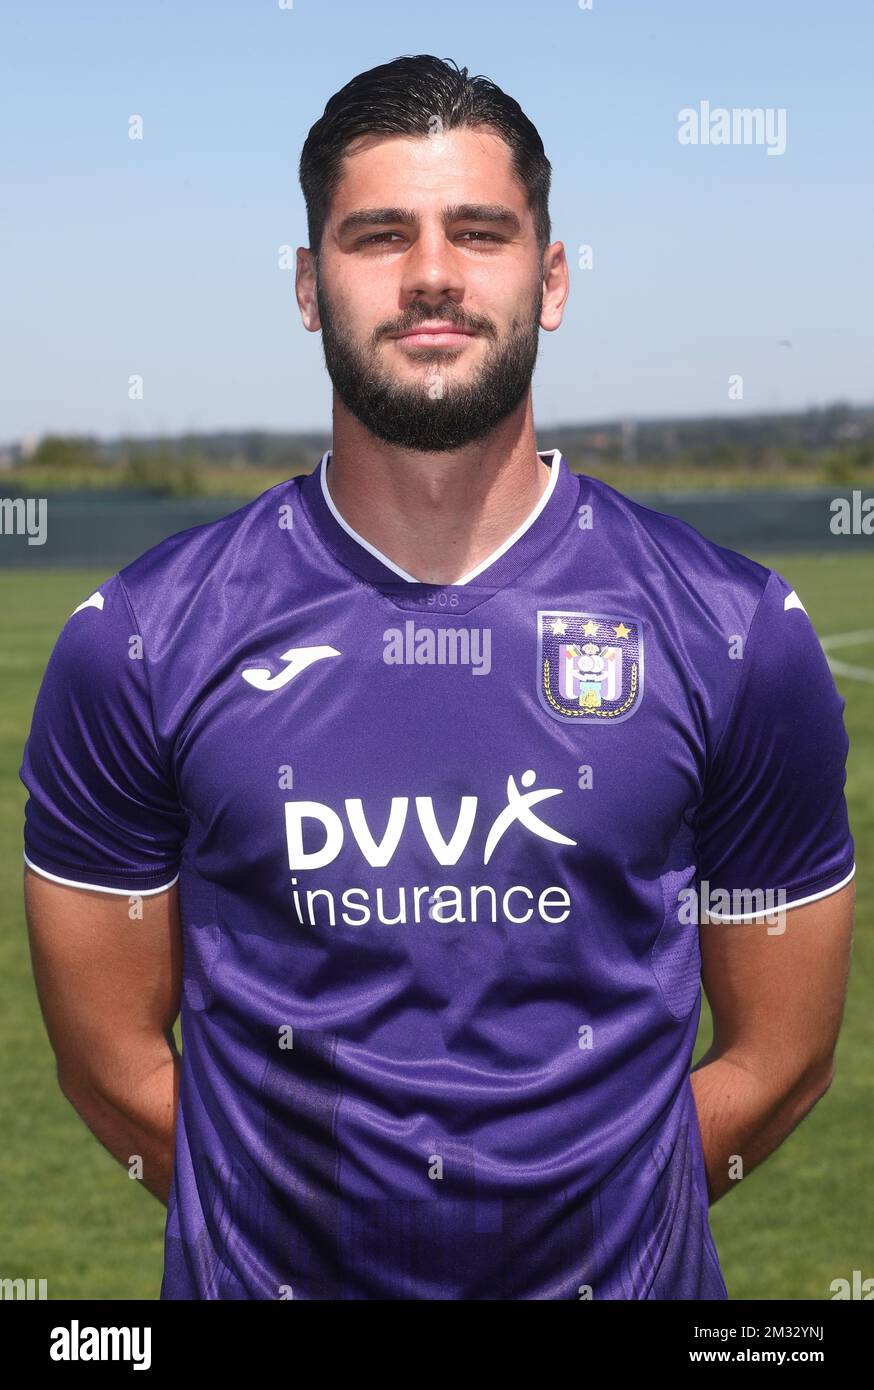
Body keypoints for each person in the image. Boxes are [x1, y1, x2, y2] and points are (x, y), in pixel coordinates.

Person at [20, 54, 855, 1301]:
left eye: (479, 231)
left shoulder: (735, 629)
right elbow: (108, 1063)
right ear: (309, 287)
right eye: (376, 235)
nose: (430, 274)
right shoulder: (140, 639)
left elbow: (783, 1053)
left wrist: (583, 1237)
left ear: (551, 277)